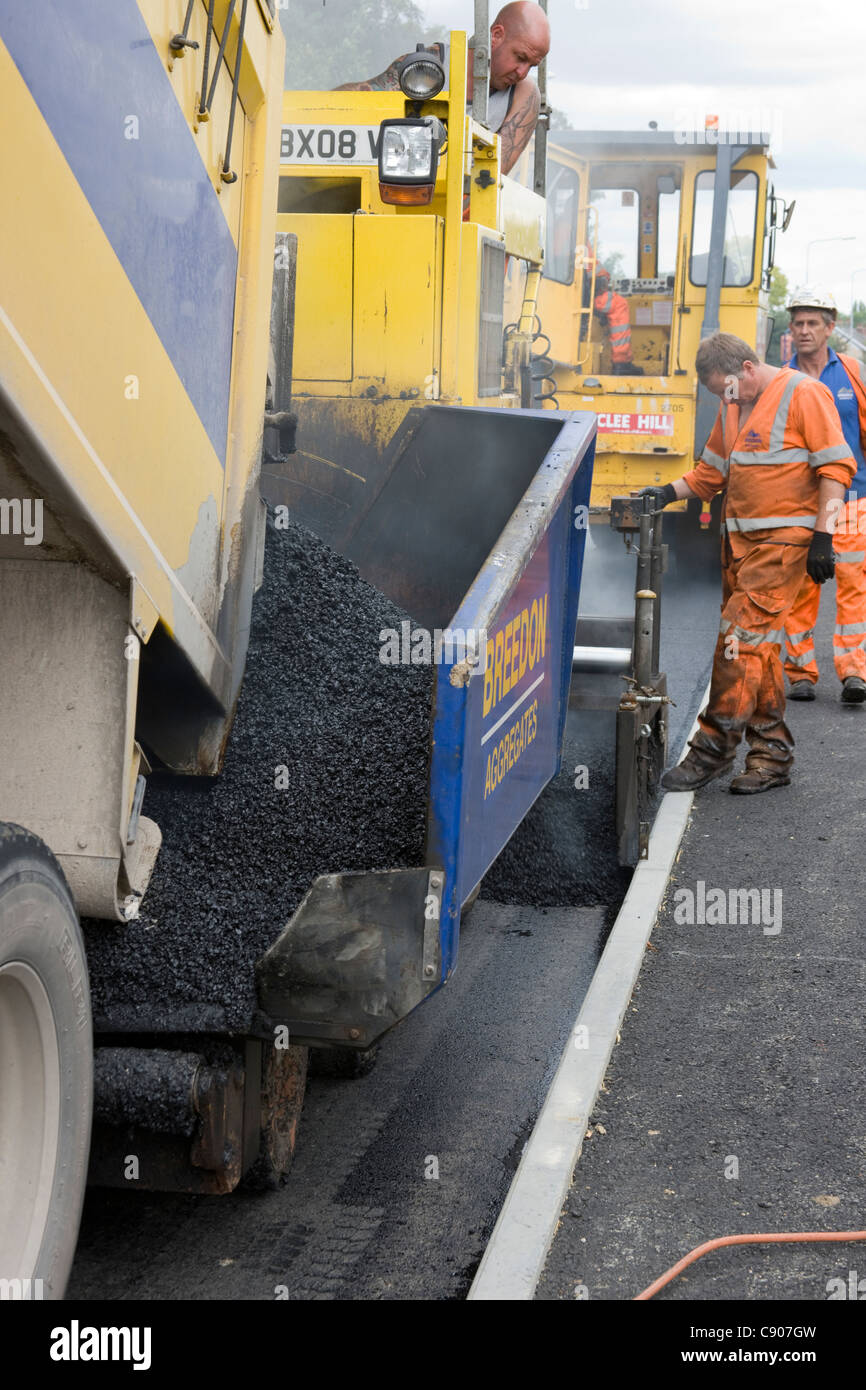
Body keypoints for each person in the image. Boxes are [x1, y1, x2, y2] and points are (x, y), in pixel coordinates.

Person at [640, 331, 855, 795]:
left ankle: (711, 752)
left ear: (749, 368)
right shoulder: (734, 403)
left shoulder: (804, 394)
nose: (725, 398)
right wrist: (664, 494)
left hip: (784, 547)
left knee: (737, 642)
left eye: (727, 388)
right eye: (719, 393)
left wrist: (824, 536)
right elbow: (710, 474)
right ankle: (772, 756)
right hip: (740, 549)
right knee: (761, 652)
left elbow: (837, 468)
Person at [334, 2, 550, 175]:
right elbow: (355, 99)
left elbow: (491, 175)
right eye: (520, 58)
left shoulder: (523, 95)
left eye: (531, 65)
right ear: (496, 36)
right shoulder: (427, 68)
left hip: (464, 214)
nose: (522, 73)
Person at [780, 288, 866, 704]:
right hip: (800, 503)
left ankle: (854, 673)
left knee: (854, 586)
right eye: (798, 323)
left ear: (830, 328)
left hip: (854, 499)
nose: (805, 330)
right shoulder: (782, 380)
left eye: (813, 323)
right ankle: (801, 674)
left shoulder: (854, 373)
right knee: (801, 588)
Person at [593, 266, 640, 375]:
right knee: (620, 304)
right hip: (587, 294)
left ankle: (624, 361)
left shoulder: (582, 250)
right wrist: (604, 276)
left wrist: (605, 276)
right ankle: (621, 362)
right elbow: (590, 270)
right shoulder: (583, 250)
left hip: (587, 292)